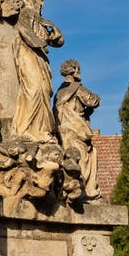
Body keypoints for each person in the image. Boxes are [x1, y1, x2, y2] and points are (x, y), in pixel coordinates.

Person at [11, 0, 64, 141]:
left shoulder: (41, 20)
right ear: (31, 0)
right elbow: (24, 31)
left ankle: (41, 129)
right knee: (33, 89)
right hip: (27, 54)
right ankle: (25, 129)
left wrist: (54, 31)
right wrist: (42, 43)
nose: (42, 2)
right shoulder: (26, 14)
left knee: (44, 90)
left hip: (40, 57)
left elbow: (58, 42)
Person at [53, 59, 101, 201]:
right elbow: (93, 101)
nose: (79, 71)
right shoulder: (76, 87)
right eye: (77, 69)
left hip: (63, 131)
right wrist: (97, 97)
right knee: (82, 159)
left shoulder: (59, 92)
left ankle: (70, 190)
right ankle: (84, 192)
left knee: (69, 159)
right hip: (76, 130)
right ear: (73, 70)